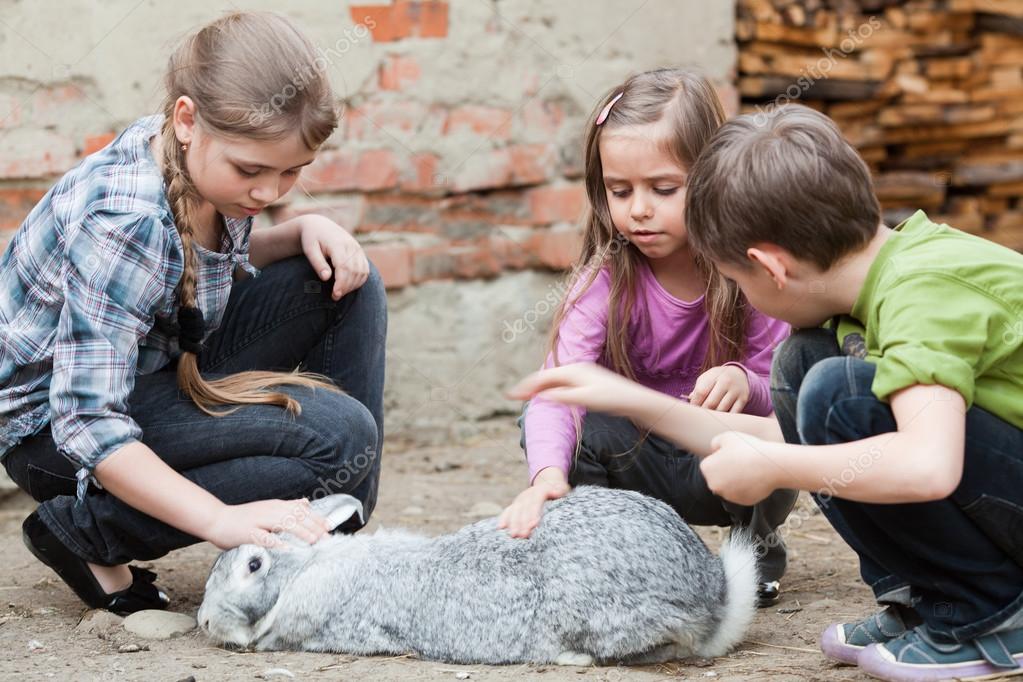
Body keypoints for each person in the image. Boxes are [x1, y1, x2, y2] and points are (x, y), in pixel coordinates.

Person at [512, 104, 1023, 681]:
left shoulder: (923, 297)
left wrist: (775, 463)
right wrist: (624, 396)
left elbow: (929, 466)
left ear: (769, 267)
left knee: (835, 391)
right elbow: (780, 438)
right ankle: (924, 599)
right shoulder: (882, 285)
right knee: (810, 364)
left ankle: (992, 619)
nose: (735, 291)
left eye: (734, 279)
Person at [0, 12, 386, 614]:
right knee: (340, 439)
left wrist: (304, 228)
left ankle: (329, 526)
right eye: (252, 171)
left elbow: (187, 270)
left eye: (292, 172)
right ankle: (88, 530)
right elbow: (87, 421)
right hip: (56, 435)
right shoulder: (123, 221)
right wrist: (219, 519)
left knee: (342, 278)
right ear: (186, 118)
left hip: (154, 367)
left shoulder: (192, 160)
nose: (268, 193)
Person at [498, 69, 793, 607]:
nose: (638, 209)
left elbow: (786, 388)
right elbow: (556, 391)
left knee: (781, 431)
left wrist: (744, 382)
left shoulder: (745, 271)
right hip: (639, 461)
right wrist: (544, 476)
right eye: (619, 190)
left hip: (723, 461)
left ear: (710, 180)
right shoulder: (604, 280)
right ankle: (606, 545)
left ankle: (756, 547)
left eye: (663, 189)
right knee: (581, 423)